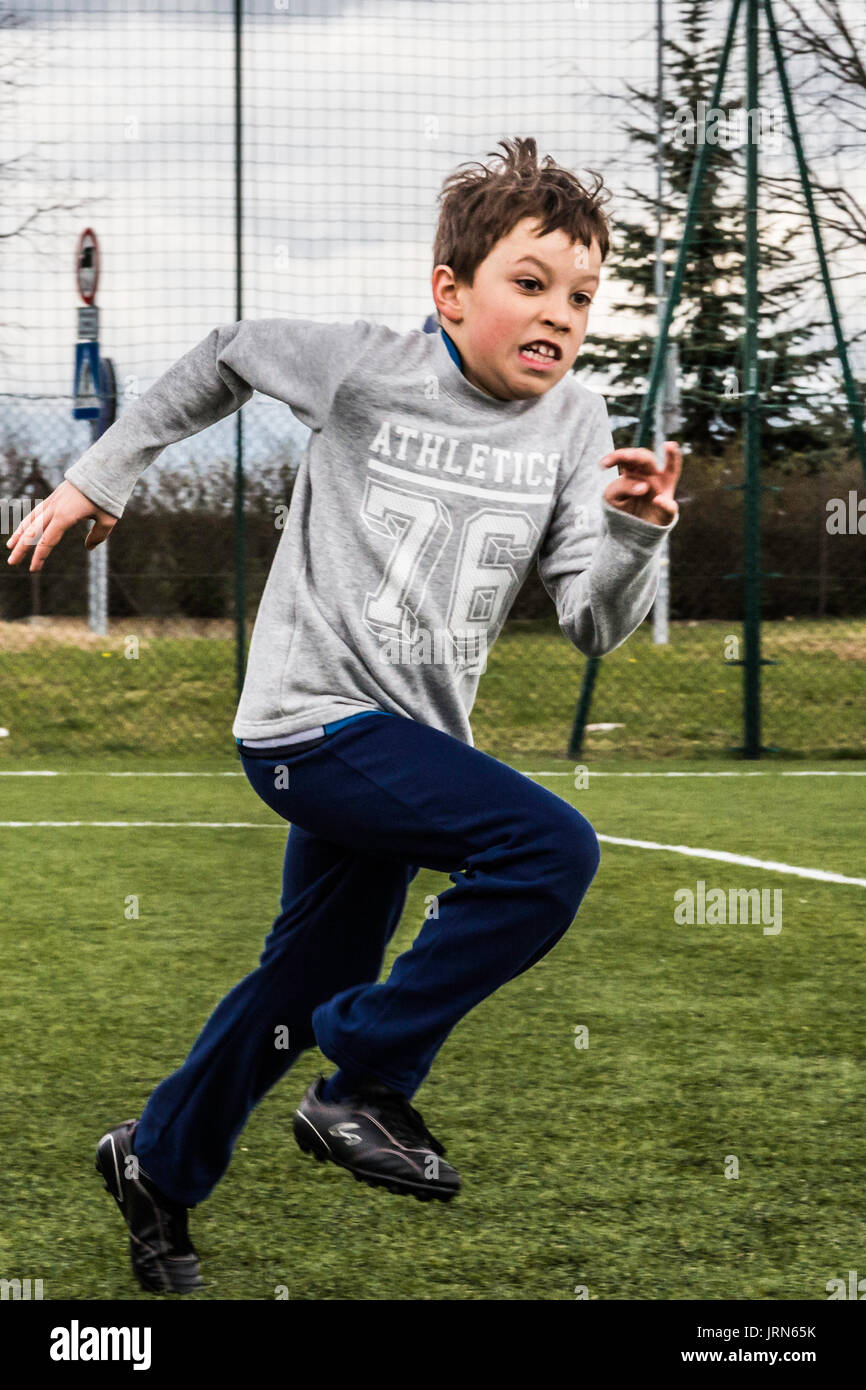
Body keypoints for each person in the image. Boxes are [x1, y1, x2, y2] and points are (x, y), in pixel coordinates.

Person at [6, 136, 681, 1295]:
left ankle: (156, 1166)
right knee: (546, 847)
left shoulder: (576, 423)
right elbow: (224, 353)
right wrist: (98, 474)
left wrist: (633, 531)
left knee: (299, 977)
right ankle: (361, 1082)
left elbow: (588, 623)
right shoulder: (366, 370)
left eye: (580, 294)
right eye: (529, 283)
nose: (559, 313)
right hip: (307, 724)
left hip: (405, 745)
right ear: (449, 293)